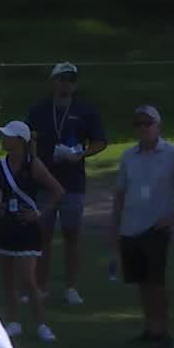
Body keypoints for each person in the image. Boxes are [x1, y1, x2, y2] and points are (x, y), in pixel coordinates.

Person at [111, 105, 174, 348]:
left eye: (148, 123)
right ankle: (149, 329)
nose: (143, 128)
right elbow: (120, 193)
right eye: (139, 124)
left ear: (158, 126)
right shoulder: (129, 156)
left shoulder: (172, 154)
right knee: (141, 282)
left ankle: (162, 333)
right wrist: (115, 224)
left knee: (156, 282)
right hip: (130, 227)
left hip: (156, 228)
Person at [25, 63, 108, 305]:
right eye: (62, 79)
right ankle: (40, 286)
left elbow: (100, 141)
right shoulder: (39, 110)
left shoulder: (85, 110)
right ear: (53, 82)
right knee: (42, 235)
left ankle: (71, 287)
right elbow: (27, 138)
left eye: (71, 80)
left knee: (72, 234)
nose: (66, 84)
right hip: (43, 181)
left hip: (73, 181)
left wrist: (80, 154)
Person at [0, 121, 64, 342]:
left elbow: (58, 191)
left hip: (26, 226)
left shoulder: (33, 165)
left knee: (28, 278)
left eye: (8, 136)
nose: (4, 140)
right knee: (7, 278)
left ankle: (41, 324)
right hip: (4, 224)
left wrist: (39, 213)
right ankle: (13, 321)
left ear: (20, 141)